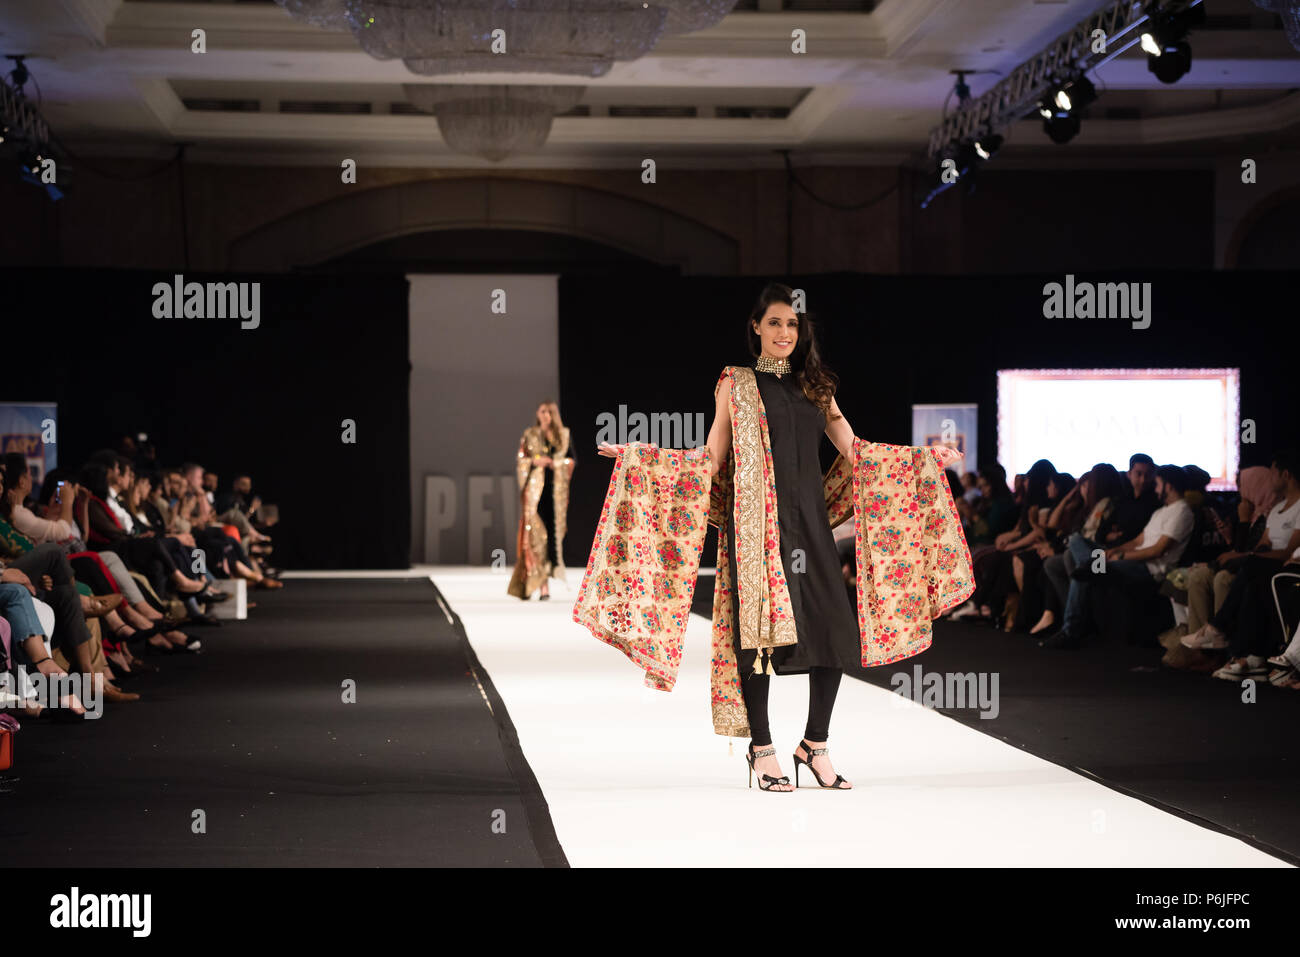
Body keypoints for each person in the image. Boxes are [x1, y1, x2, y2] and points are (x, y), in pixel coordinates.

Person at [591, 282, 964, 792]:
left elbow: (858, 452)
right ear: (756, 328)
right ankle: (762, 748)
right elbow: (711, 459)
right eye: (774, 323)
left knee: (834, 631)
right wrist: (642, 457)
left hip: (809, 526)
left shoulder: (817, 388)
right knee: (759, 639)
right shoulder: (736, 384)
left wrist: (923, 460)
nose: (784, 332)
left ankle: (814, 744)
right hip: (757, 528)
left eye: (792, 324)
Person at [1043, 464, 1194, 649]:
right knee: (1076, 540)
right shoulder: (1161, 511)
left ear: (1168, 486)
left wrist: (1122, 556)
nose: (1154, 488)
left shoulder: (1182, 511)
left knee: (1081, 571)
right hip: (1131, 560)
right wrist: (1114, 551)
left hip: (1149, 568)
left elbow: (1157, 550)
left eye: (1158, 484)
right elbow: (1138, 541)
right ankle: (1092, 565)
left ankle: (1070, 630)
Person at [508, 401, 574, 601]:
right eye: (543, 411)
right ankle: (542, 586)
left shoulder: (563, 436)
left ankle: (541, 581)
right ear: (538, 413)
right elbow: (522, 461)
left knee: (552, 537)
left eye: (550, 411)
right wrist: (535, 462)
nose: (547, 415)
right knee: (536, 537)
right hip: (535, 493)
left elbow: (570, 460)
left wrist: (555, 463)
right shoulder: (530, 435)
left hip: (555, 494)